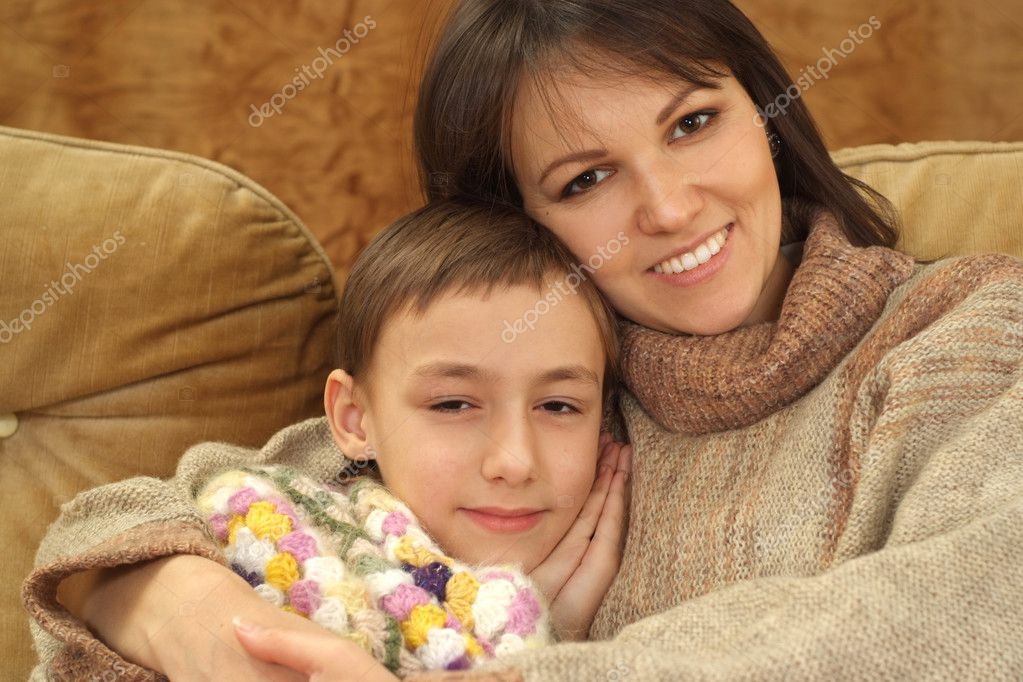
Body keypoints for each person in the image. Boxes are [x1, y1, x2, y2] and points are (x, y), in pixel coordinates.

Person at [24, 0, 1023, 679]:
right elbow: (137, 524)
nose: (669, 208)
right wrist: (191, 614)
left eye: (691, 123)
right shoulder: (540, 375)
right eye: (585, 179)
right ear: (517, 225)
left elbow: (975, 607)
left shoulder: (964, 330)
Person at [183, 200, 629, 675]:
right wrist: (544, 634)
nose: (515, 462)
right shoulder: (262, 538)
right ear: (355, 420)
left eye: (558, 406)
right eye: (453, 405)